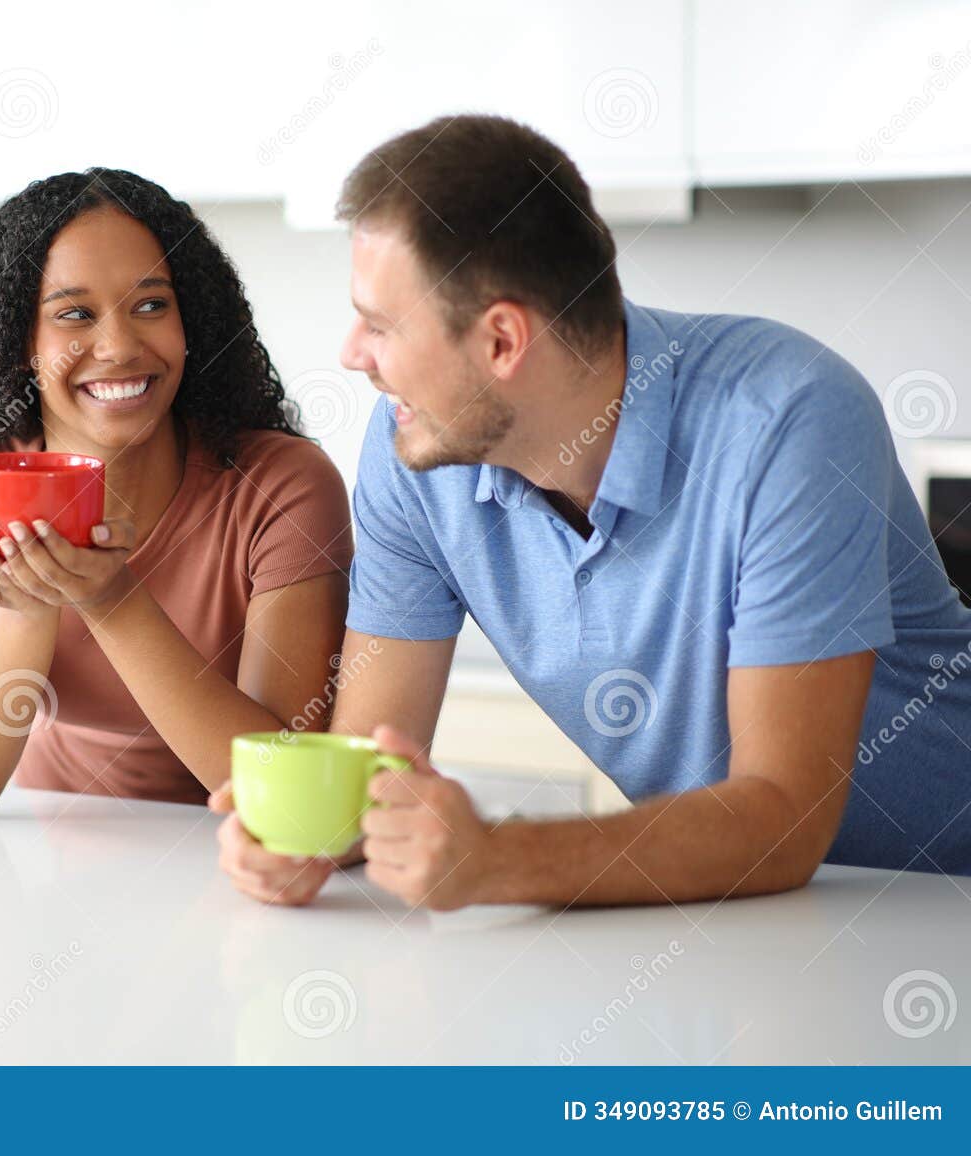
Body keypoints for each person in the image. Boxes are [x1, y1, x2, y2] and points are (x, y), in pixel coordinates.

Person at [214, 114, 971, 909]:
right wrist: (310, 835)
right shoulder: (415, 448)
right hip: (735, 910)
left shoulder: (789, 417)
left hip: (936, 902)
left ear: (503, 341)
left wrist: (498, 860)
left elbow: (783, 818)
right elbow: (375, 762)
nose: (352, 354)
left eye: (381, 324)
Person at [0, 168, 352, 818]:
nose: (118, 346)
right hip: (48, 862)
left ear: (190, 319)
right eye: (74, 315)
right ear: (19, 338)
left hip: (233, 866)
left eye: (151, 305)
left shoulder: (281, 488)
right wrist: (28, 602)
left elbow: (282, 795)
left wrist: (108, 599)